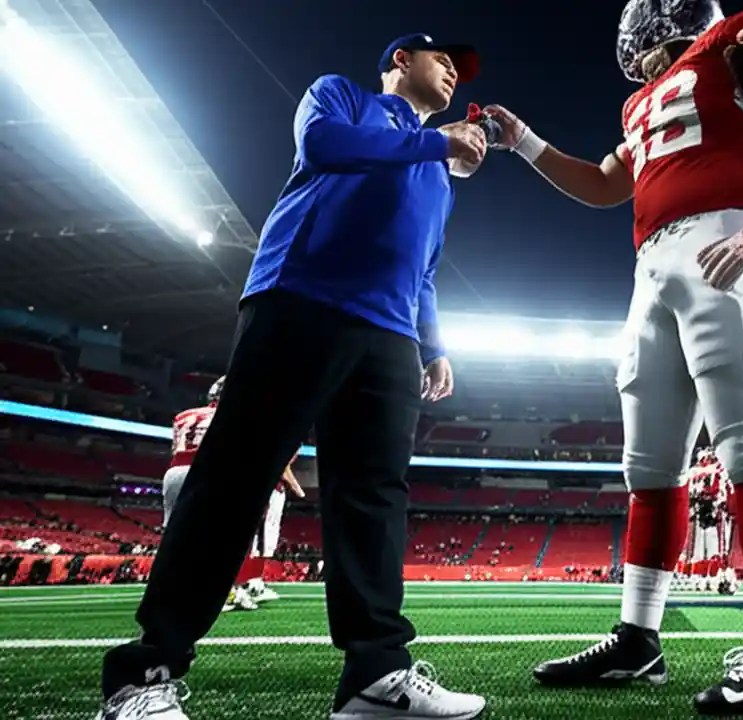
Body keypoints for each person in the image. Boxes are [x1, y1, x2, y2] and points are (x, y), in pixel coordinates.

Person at [95, 32, 490, 720]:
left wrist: (434, 344)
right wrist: (439, 143)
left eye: (460, 67)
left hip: (392, 334)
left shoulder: (435, 171)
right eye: (440, 58)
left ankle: (375, 676)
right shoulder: (342, 96)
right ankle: (144, 673)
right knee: (235, 477)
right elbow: (326, 149)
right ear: (399, 59)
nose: (453, 70)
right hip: (301, 299)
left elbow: (423, 266)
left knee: (372, 498)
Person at [485, 0, 743, 714]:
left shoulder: (731, 40)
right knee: (648, 470)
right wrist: (523, 140)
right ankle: (637, 640)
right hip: (652, 268)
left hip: (727, 239)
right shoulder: (640, 104)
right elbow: (602, 183)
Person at [164, 376, 304, 613]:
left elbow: (174, 447)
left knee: (175, 533)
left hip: (176, 470)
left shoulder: (184, 415)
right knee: (220, 534)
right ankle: (224, 591)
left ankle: (170, 590)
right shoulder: (238, 414)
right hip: (211, 469)